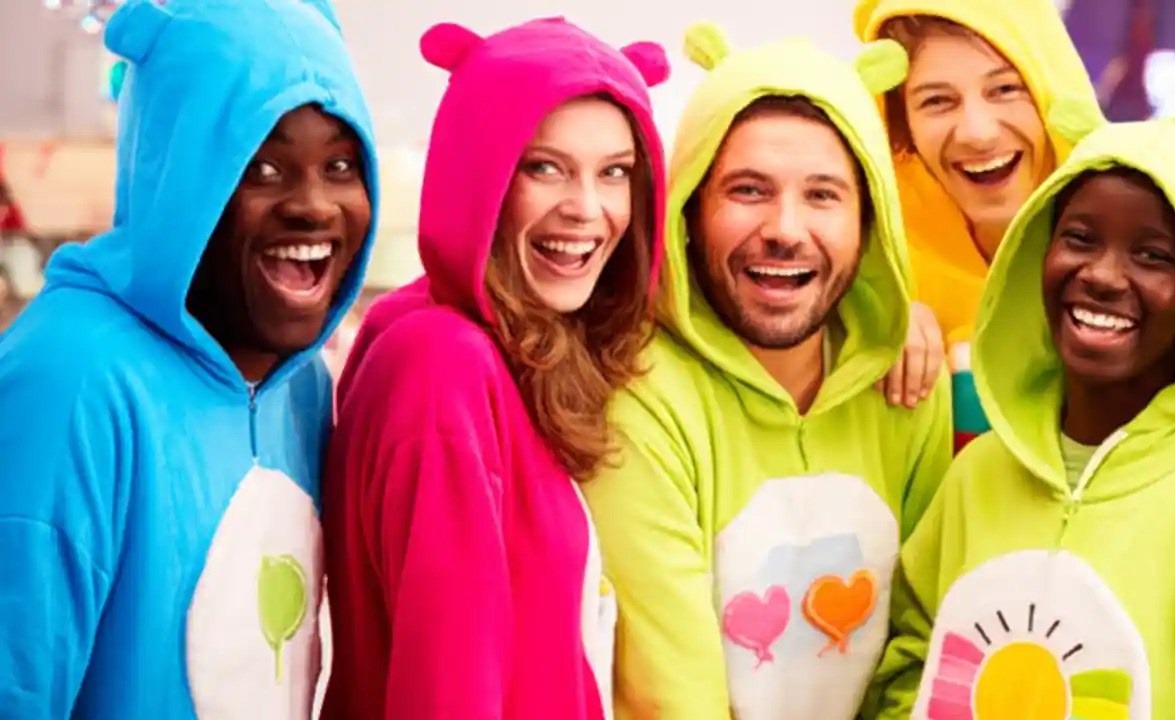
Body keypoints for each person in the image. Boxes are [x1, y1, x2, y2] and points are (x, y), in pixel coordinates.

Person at [0, 0, 377, 717]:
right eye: (261, 167)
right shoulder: (69, 378)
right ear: (178, 175)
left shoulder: (300, 386)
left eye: (340, 165)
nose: (315, 205)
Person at [581, 24, 953, 720]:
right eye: (748, 190)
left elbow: (920, 645)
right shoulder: (638, 395)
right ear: (688, 213)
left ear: (870, 223)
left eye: (823, 195)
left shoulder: (907, 384)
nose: (785, 228)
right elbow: (672, 696)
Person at [867, 112, 1175, 717]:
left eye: (1153, 255)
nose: (1104, 275)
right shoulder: (979, 473)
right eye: (1081, 238)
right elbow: (912, 655)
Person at [319, 18, 669, 720]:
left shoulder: (518, 359)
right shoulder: (441, 367)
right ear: (479, 175)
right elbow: (447, 691)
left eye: (616, 173)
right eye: (545, 167)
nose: (589, 210)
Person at [853, 0, 1175, 443]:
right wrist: (871, 337)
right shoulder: (877, 269)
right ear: (901, 125)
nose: (978, 132)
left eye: (1005, 89)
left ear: (1053, 90)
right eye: (938, 101)